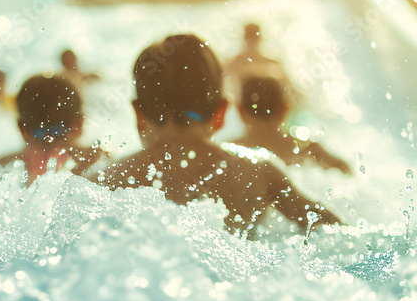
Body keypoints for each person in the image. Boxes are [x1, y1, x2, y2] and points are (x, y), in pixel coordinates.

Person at [97, 34, 342, 235]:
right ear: (221, 114)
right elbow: (339, 234)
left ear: (139, 116)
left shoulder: (105, 179)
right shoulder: (259, 172)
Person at [0, 74, 107, 185]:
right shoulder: (97, 159)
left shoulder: (3, 168)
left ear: (22, 129)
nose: (51, 140)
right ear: (79, 125)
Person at [232, 75, 351, 173]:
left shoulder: (232, 150)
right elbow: (344, 169)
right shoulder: (304, 146)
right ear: (285, 110)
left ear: (239, 111)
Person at [224, 23, 297, 108]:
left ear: (244, 38)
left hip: (245, 108)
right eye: (251, 38)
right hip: (265, 108)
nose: (252, 41)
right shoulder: (272, 64)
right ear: (260, 38)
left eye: (253, 38)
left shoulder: (232, 64)